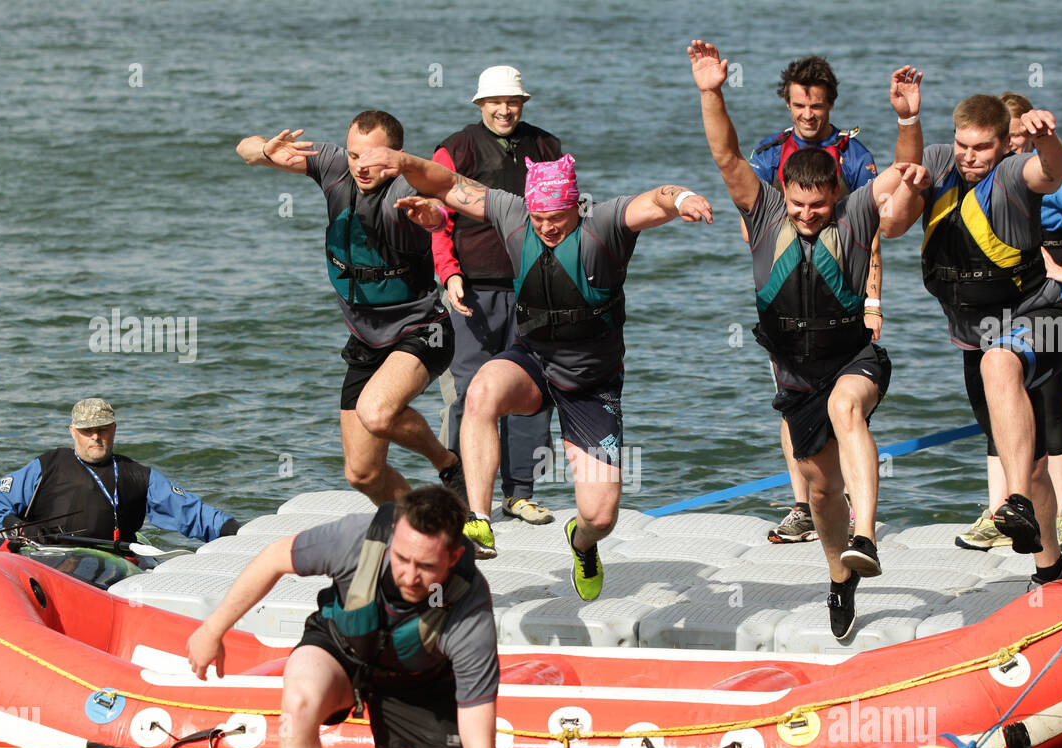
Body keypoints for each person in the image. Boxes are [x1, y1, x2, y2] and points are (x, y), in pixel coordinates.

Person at [358, 144, 713, 601]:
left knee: (600, 517)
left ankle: (581, 545)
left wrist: (681, 199)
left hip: (590, 384)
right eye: (539, 216)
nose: (546, 227)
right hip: (534, 361)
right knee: (482, 389)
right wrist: (403, 162)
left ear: (574, 205)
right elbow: (448, 184)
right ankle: (480, 520)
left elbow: (654, 200)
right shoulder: (513, 215)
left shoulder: (602, 226)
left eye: (557, 216)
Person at [185, 485, 519, 748]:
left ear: (454, 557)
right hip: (343, 649)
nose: (410, 576)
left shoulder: (469, 611)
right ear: (393, 536)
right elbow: (273, 558)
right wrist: (213, 629)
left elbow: (480, 744)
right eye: (401, 558)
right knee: (298, 705)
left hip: (419, 685)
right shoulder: (356, 539)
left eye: (426, 566)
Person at [690, 41, 923, 639]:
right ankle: (839, 576)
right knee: (820, 491)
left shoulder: (853, 213)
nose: (809, 213)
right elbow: (726, 155)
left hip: (854, 354)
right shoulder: (766, 211)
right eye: (799, 204)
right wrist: (711, 92)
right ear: (784, 197)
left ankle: (866, 534)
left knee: (849, 412)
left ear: (833, 199)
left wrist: (907, 120)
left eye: (818, 204)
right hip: (796, 373)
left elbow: (901, 175)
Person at [880, 83, 1062, 587]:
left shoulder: (1014, 172)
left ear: (1004, 144)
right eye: (963, 145)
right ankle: (1052, 567)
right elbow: (891, 226)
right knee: (1032, 468)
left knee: (999, 362)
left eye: (982, 147)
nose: (970, 157)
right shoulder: (938, 162)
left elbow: (1051, 171)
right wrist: (911, 172)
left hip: (1043, 318)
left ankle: (1011, 507)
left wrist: (1049, 139)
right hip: (977, 335)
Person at [236, 111, 464, 504]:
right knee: (362, 474)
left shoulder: (404, 189)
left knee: (376, 412)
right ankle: (422, 528)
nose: (360, 166)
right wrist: (262, 150)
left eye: (371, 157)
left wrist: (432, 217)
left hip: (421, 330)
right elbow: (245, 150)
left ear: (395, 155)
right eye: (354, 154)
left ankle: (447, 463)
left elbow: (437, 204)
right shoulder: (334, 167)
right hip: (365, 338)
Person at [956, 90, 1062, 554]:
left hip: (1051, 311)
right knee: (999, 417)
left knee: (1048, 413)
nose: (1009, 146)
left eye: (1014, 137)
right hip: (997, 313)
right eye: (1002, 138)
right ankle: (998, 512)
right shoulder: (986, 181)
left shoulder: (1049, 179)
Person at [749, 56, 886, 545]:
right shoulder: (769, 155)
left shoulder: (852, 155)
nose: (808, 114)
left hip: (843, 299)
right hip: (786, 302)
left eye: (818, 105)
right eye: (799, 104)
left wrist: (873, 300)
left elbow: (871, 234)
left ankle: (845, 499)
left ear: (831, 104)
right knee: (794, 404)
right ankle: (802, 505)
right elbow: (759, 225)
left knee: (847, 408)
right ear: (788, 102)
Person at [432, 66, 560, 527]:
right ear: (480, 104)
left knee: (532, 390)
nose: (505, 110)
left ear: (523, 104)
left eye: (513, 102)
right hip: (471, 289)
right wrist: (448, 274)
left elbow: (563, 215)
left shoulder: (548, 147)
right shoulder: (455, 149)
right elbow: (436, 220)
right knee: (467, 392)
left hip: (533, 286)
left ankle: (520, 493)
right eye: (495, 102)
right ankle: (464, 493)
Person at [0, 398, 240, 543]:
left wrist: (234, 531)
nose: (95, 437)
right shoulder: (47, 466)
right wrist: (16, 526)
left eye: (102, 428)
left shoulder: (137, 476)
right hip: (42, 557)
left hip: (108, 567)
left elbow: (191, 512)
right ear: (72, 432)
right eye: (86, 431)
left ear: (114, 429)